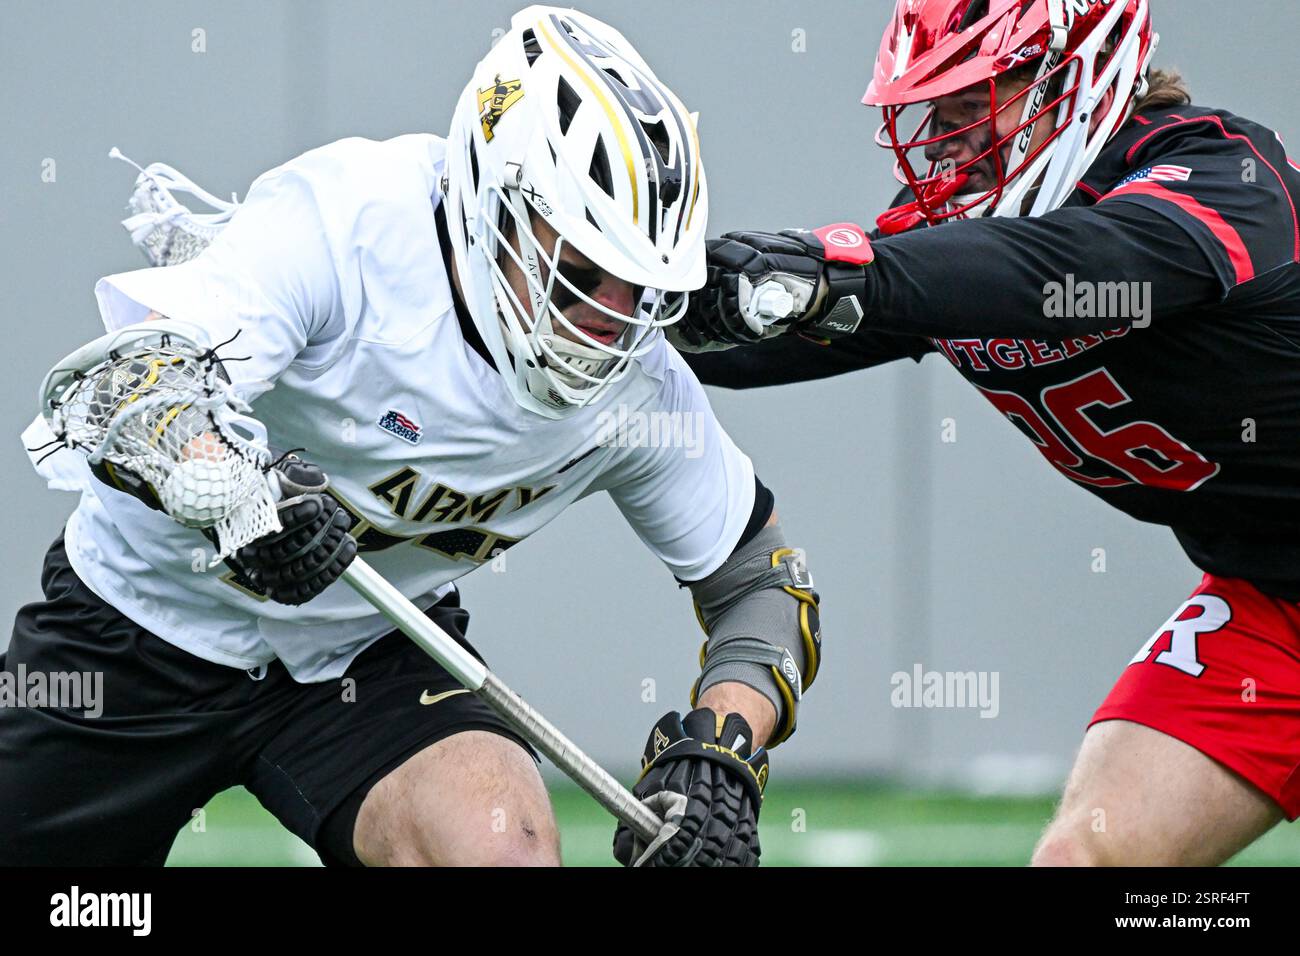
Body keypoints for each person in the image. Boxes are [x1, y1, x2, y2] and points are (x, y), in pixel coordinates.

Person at [4, 5, 822, 867]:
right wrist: (238, 495)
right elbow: (124, 385)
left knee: (500, 851)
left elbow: (759, 582)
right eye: (581, 273)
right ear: (491, 201)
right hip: (137, 629)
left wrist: (726, 753)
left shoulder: (639, 382)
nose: (610, 327)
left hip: (368, 655)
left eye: (639, 288)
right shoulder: (348, 223)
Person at [671, 0, 1300, 866]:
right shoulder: (956, 235)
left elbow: (1072, 271)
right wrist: (616, 305)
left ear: (1077, 76)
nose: (944, 139)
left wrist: (830, 269)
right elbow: (760, 340)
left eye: (969, 107)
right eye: (936, 109)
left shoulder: (1222, 171)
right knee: (1084, 859)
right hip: (1270, 599)